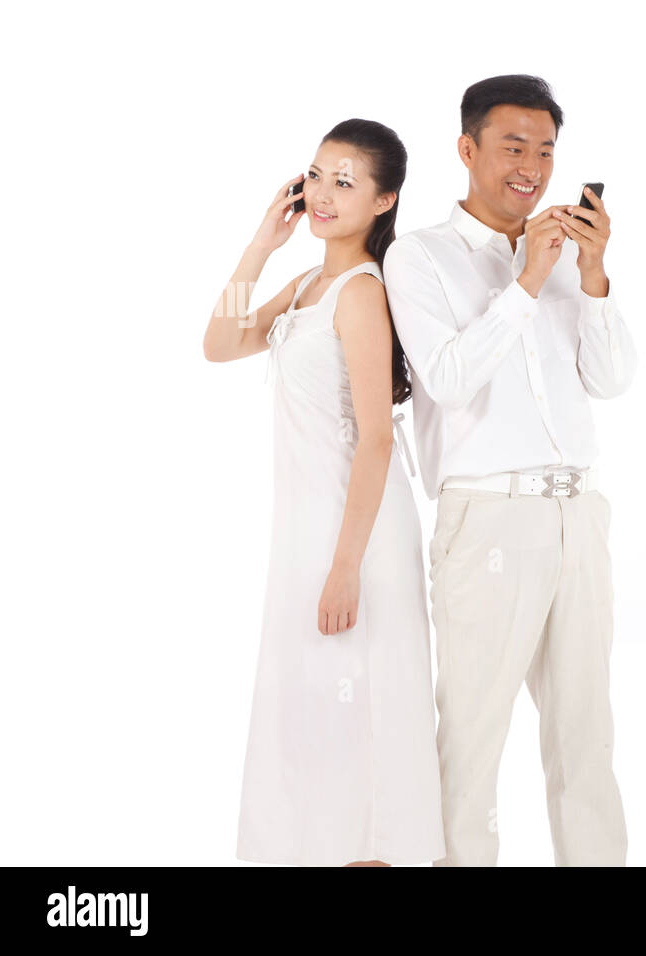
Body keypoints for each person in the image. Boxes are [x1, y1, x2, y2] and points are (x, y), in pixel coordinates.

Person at [383, 75, 636, 867]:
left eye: (546, 151)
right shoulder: (418, 257)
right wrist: (527, 277)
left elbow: (614, 378)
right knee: (472, 738)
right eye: (513, 147)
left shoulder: (562, 253)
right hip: (488, 516)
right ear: (467, 150)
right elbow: (450, 377)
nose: (531, 167)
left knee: (586, 739)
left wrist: (590, 276)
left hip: (579, 515)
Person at [202, 119, 445, 867]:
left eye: (346, 181)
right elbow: (220, 343)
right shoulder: (307, 282)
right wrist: (260, 244)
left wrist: (345, 567)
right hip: (305, 535)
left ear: (384, 200)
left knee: (359, 713)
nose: (323, 193)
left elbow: (376, 439)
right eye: (316, 174)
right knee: (313, 714)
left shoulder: (360, 293)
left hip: (356, 536)